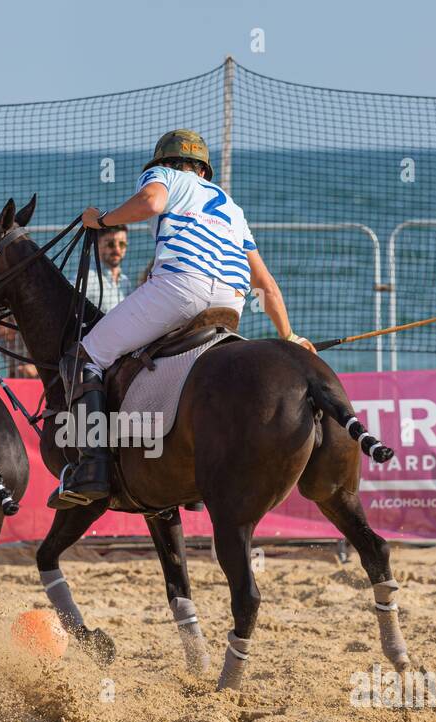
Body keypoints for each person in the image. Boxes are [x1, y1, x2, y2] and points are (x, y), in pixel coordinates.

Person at [50, 129, 315, 508]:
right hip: (231, 301)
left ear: (166, 163)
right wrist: (288, 336)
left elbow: (152, 201)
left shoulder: (166, 176)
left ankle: (92, 468)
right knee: (173, 360)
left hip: (180, 287)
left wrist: (103, 220)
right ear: (204, 171)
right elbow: (266, 284)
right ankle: (182, 467)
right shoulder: (231, 207)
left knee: (84, 357)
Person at [83, 224, 131, 312]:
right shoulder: (87, 279)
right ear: (97, 245)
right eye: (110, 244)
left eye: (122, 244)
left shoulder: (125, 281)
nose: (117, 249)